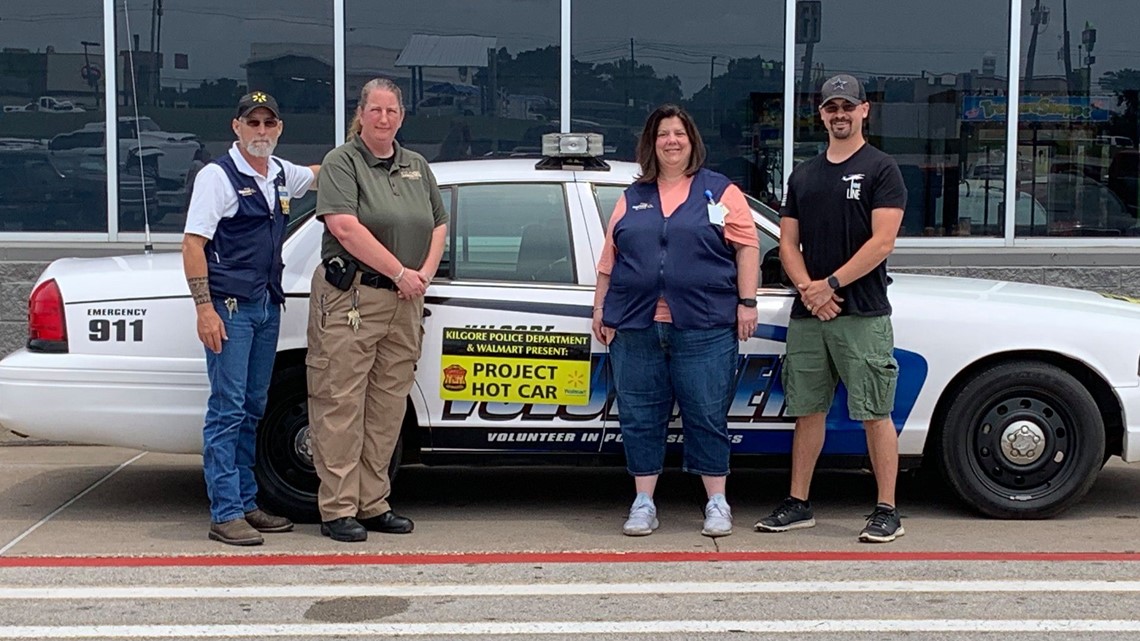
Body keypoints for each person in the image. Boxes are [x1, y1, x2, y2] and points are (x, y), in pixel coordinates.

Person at [592, 104, 759, 538]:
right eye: (662, 134)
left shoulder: (720, 192)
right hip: (637, 326)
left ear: (691, 141)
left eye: (679, 133)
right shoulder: (632, 196)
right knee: (640, 416)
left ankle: (717, 503)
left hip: (705, 326)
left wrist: (747, 302)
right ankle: (643, 503)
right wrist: (600, 309)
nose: (671, 141)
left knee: (706, 413)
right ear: (652, 144)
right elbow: (609, 260)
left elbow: (747, 248)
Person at [753, 74, 908, 543]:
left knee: (875, 411)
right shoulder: (803, 175)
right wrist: (808, 289)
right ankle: (798, 503)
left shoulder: (882, 169)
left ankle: (887, 510)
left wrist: (831, 285)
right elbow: (787, 243)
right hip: (810, 315)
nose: (840, 114)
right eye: (831, 107)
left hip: (861, 312)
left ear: (864, 111)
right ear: (821, 115)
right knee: (807, 411)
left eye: (848, 106)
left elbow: (882, 242)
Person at [307, 77, 448, 543]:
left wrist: (423, 275)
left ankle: (373, 503)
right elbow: (344, 228)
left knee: (387, 408)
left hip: (405, 301)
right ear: (361, 114)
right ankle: (338, 509)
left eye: (391, 111)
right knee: (340, 403)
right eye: (375, 110)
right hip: (352, 299)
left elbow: (439, 223)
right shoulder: (341, 162)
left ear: (401, 116)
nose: (383, 118)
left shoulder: (416, 165)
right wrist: (399, 272)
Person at [182, 91, 319, 546]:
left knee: (254, 407)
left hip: (265, 305)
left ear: (279, 129)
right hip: (229, 308)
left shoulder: (278, 172)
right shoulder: (217, 177)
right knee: (227, 408)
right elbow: (193, 245)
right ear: (236, 127)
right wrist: (204, 309)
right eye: (253, 122)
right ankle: (224, 512)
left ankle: (245, 502)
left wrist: (366, 153)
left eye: (268, 123)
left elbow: (318, 174)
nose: (261, 131)